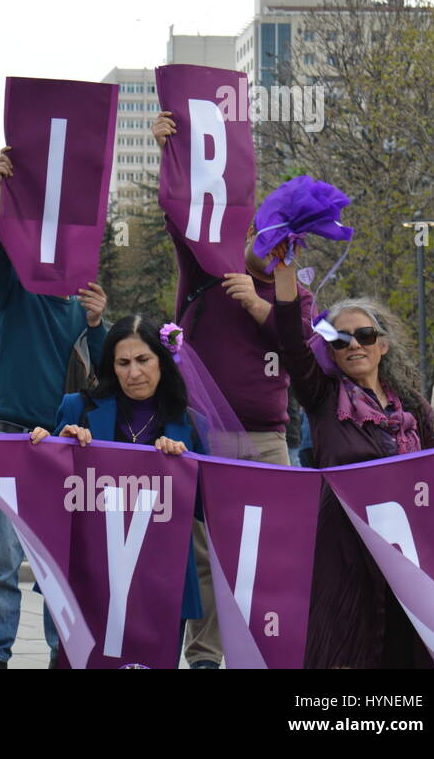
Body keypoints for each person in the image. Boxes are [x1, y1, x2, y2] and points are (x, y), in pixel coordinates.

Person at [153, 110, 315, 668]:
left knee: (264, 551)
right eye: (264, 231)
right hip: (204, 433)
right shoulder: (209, 268)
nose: (270, 245)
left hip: (267, 439)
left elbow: (300, 346)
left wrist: (258, 300)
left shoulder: (292, 288)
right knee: (204, 552)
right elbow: (179, 222)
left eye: (283, 240)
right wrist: (168, 155)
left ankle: (268, 650)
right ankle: (205, 656)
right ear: (249, 229)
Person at [271, 253, 434, 667]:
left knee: (405, 648)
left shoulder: (414, 407)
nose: (354, 345)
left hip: (408, 552)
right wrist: (285, 273)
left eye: (364, 335)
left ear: (382, 345)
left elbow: (428, 486)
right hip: (345, 550)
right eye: (341, 340)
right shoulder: (324, 399)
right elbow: (291, 343)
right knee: (347, 648)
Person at [0, 146, 108, 669]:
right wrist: (2, 193)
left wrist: (98, 324)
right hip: (10, 436)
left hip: (63, 444)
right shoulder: (16, 294)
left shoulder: (82, 310)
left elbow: (105, 379)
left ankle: (61, 654)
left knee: (58, 560)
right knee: (3, 559)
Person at [41, 314, 210, 665]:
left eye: (143, 360)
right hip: (91, 576)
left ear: (162, 362)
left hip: (161, 582)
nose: (134, 372)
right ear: (111, 367)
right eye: (123, 363)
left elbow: (205, 508)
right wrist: (61, 449)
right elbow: (47, 494)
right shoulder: (78, 409)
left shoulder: (191, 424)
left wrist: (184, 467)